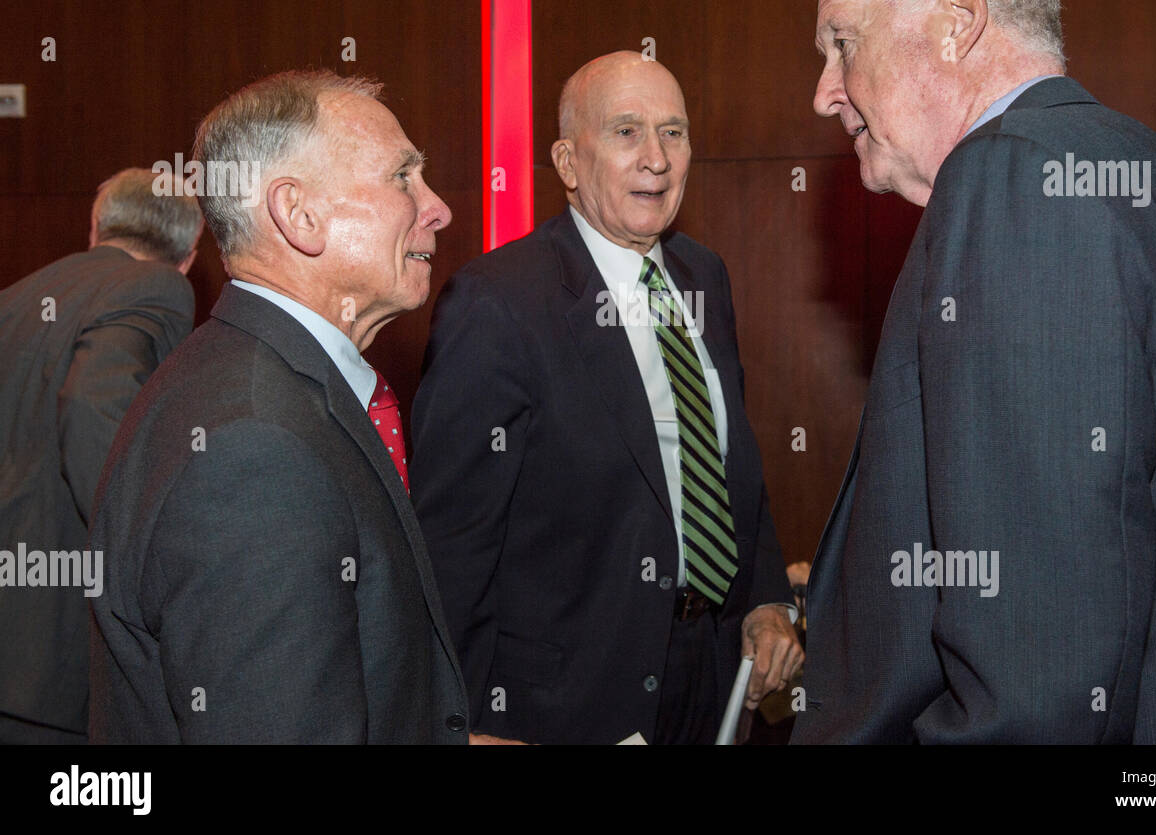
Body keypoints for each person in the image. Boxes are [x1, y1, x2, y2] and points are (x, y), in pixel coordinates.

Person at [795, 0, 1156, 744]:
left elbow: (1040, 679)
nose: (824, 93)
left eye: (843, 43)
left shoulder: (1013, 187)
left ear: (958, 18)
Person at [411, 51, 801, 745]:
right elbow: (452, 545)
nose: (656, 157)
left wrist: (765, 596)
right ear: (567, 160)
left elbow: (729, 459)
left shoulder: (703, 274)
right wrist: (457, 723)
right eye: (626, 132)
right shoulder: (498, 302)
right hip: (564, 704)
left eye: (674, 132)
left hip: (709, 675)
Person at [88, 71, 469, 743]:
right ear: (298, 214)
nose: (437, 207)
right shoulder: (254, 449)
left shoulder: (245, 379)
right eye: (403, 177)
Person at [0, 168, 200, 744]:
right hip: (53, 660)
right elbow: (92, 405)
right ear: (188, 254)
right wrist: (147, 561)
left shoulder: (16, 298)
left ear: (96, 227)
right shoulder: (158, 287)